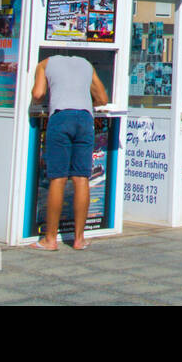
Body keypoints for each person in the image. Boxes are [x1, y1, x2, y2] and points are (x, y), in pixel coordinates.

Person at [31, 54, 109, 250]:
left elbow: (38, 94)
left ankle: (50, 240)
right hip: (84, 118)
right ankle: (79, 239)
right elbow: (102, 99)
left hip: (60, 117)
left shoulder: (44, 64)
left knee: (58, 178)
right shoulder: (86, 64)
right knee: (81, 178)